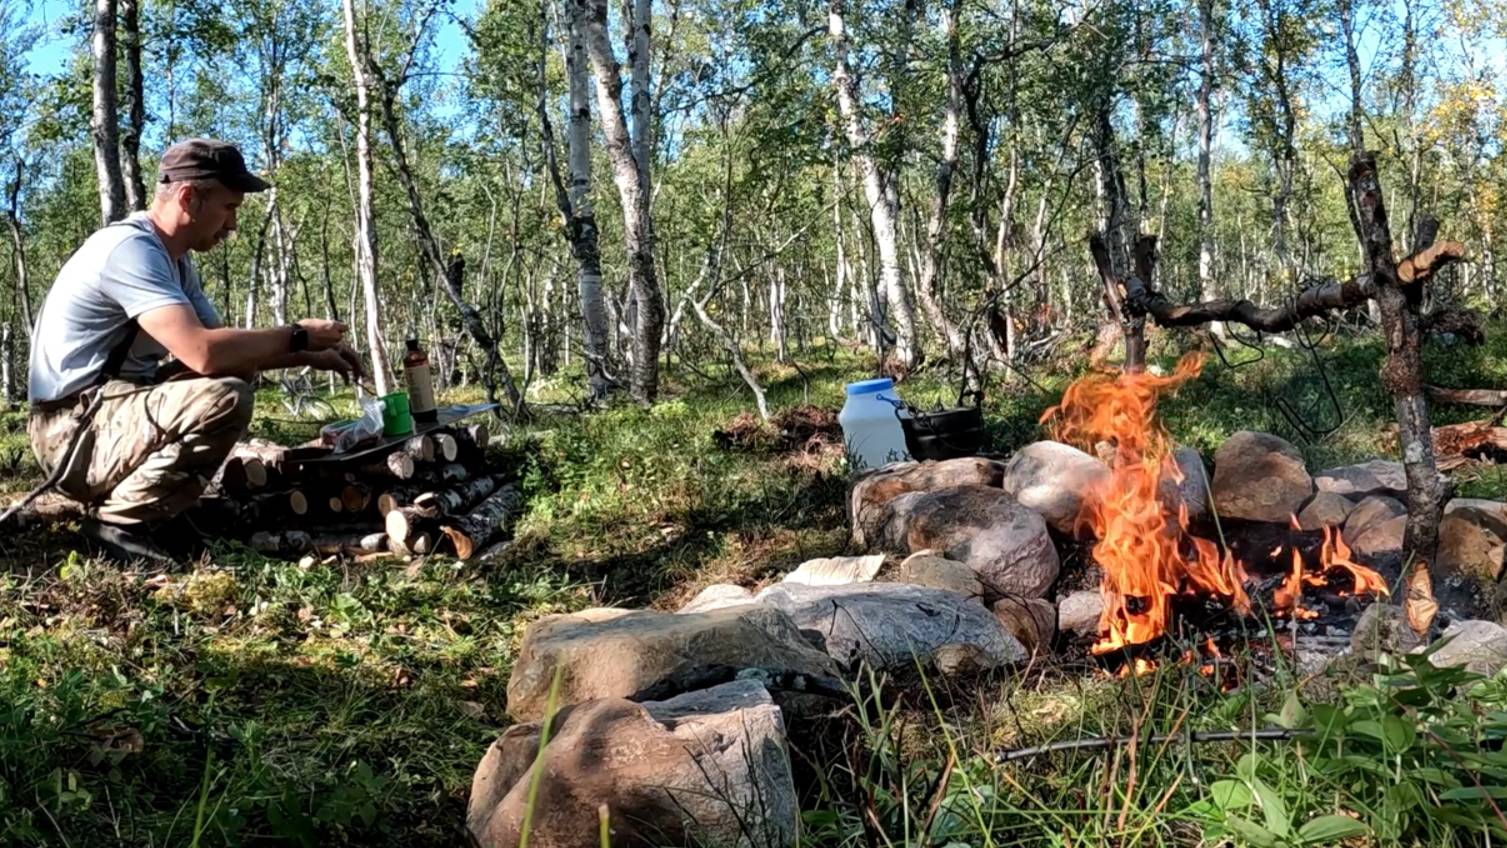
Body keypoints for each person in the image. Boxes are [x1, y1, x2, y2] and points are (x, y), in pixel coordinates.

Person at [27, 138, 363, 563]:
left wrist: (309, 355)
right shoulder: (130, 251)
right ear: (188, 197)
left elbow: (223, 346)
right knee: (225, 396)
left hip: (103, 418)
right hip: (71, 433)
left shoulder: (175, 261)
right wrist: (297, 335)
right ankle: (122, 523)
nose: (232, 224)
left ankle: (154, 508)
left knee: (235, 374)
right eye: (228, 207)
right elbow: (205, 353)